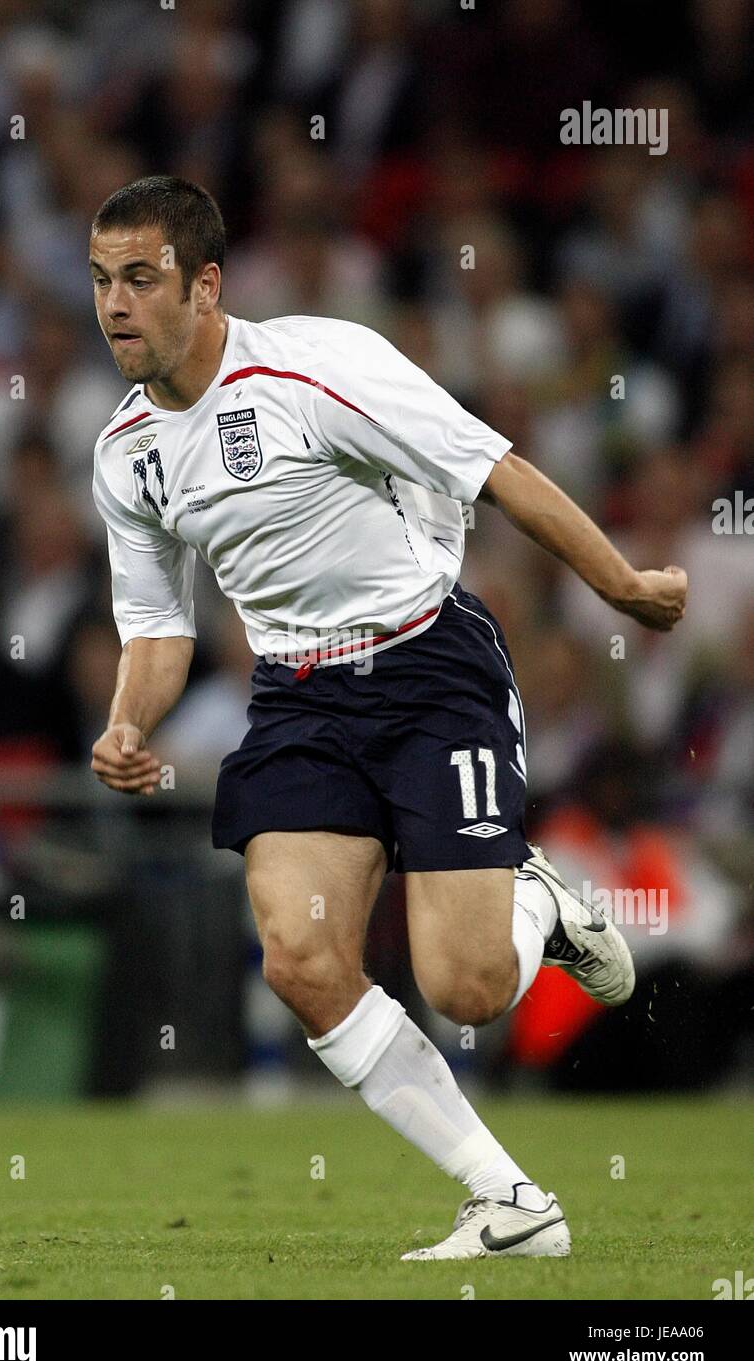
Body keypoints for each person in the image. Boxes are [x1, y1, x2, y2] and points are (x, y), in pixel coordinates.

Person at [88, 176, 687, 1260]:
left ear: (205, 284)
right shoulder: (124, 452)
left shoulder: (316, 366)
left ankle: (532, 906)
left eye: (141, 278)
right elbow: (158, 627)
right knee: (298, 957)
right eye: (100, 281)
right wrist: (128, 722)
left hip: (425, 670)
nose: (115, 304)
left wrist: (619, 584)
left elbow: (493, 469)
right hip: (297, 700)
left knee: (467, 988)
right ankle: (510, 1201)